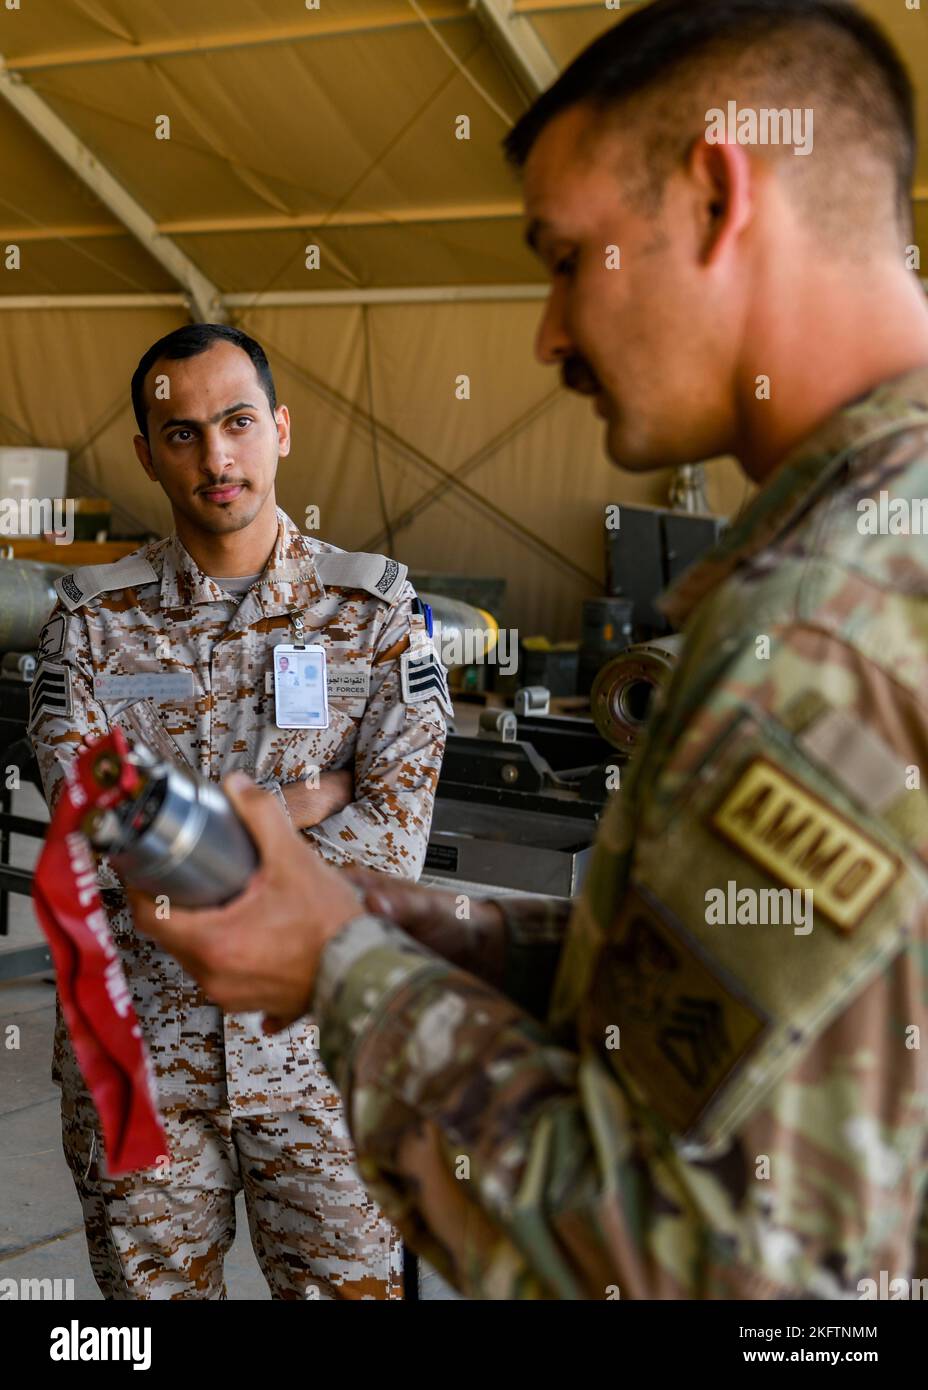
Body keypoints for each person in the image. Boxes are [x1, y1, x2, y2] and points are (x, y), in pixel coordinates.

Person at [131, 0, 928, 1299]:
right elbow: (803, 1018)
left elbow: (703, 1264)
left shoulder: (816, 628)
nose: (551, 332)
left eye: (570, 259)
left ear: (721, 199)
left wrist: (341, 972)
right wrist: (425, 926)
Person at [30, 324, 449, 1300]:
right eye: (180, 433)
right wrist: (301, 801)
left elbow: (393, 845)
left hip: (327, 1063)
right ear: (146, 452)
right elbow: (96, 839)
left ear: (280, 429)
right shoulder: (88, 624)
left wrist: (187, 829)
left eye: (236, 422)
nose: (215, 456)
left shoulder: (374, 613)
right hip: (144, 1067)